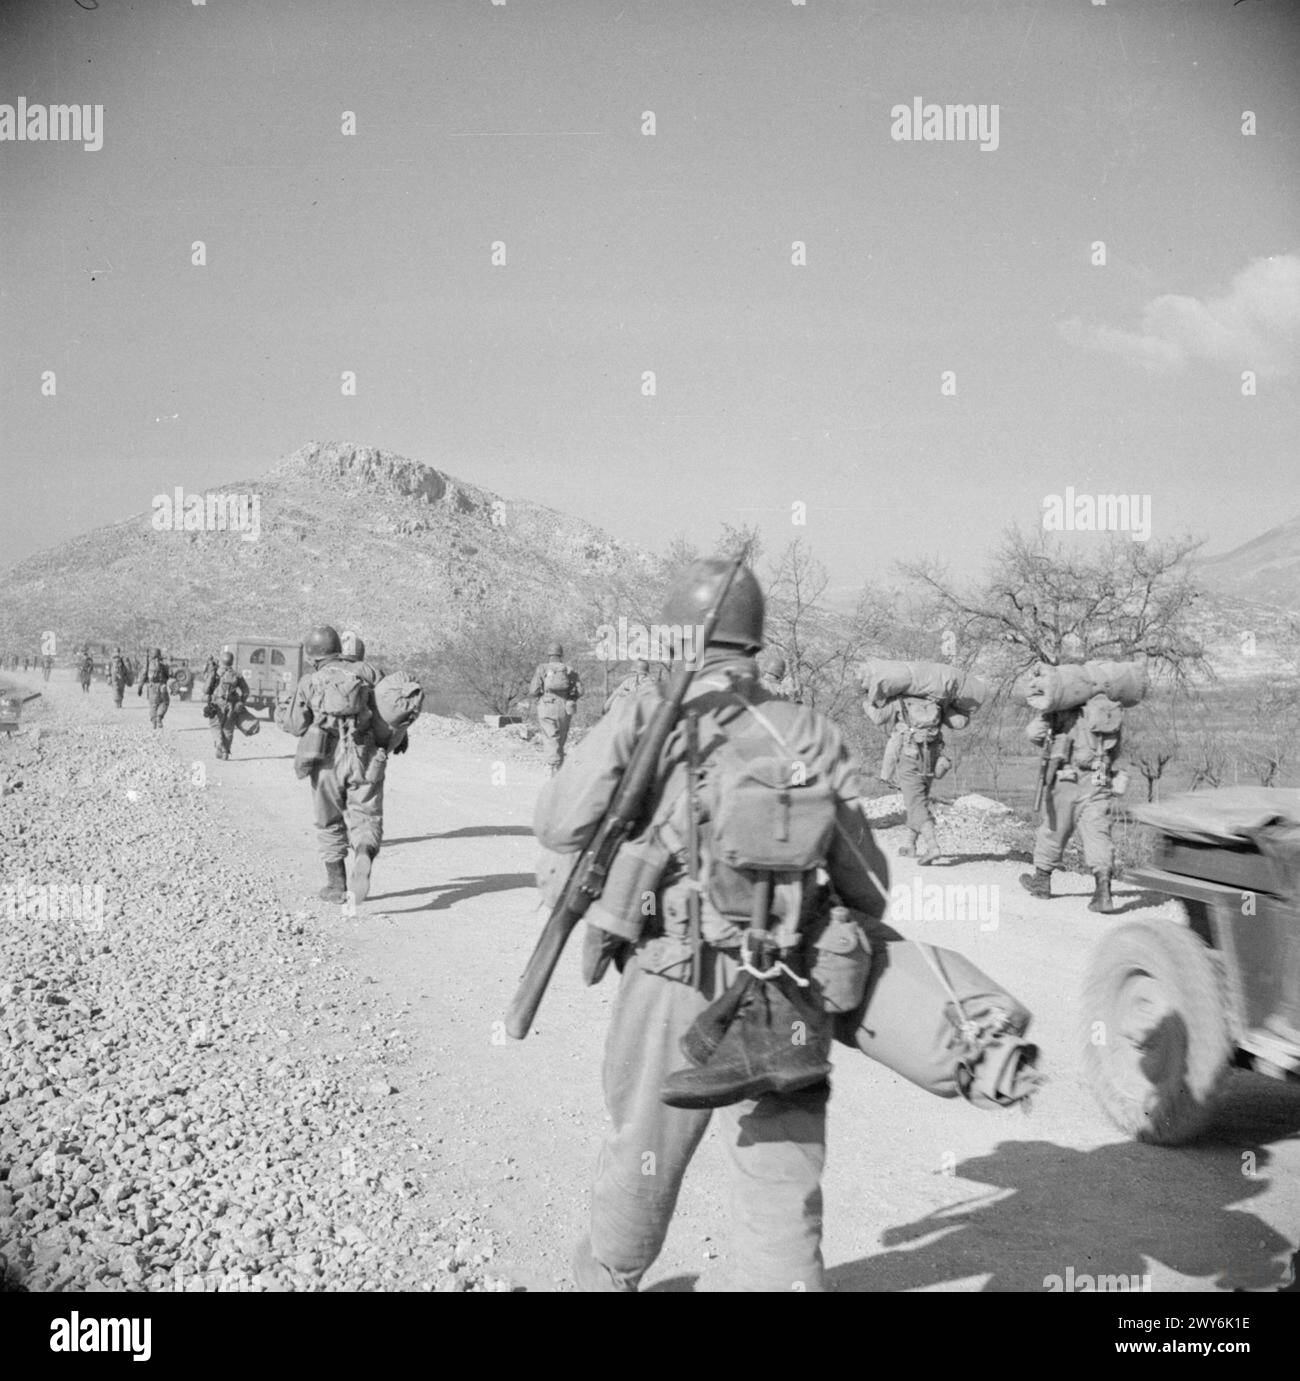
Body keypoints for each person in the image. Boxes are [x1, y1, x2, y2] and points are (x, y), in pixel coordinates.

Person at [535, 557, 889, 1293]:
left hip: (674, 978)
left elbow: (559, 822)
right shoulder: (809, 731)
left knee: (645, 1147)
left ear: (676, 636)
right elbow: (871, 884)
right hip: (786, 987)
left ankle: (605, 1280)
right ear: (754, 641)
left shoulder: (649, 714)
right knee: (780, 1181)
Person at [283, 625, 388, 904]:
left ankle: (336, 885)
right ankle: (364, 852)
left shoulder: (310, 680)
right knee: (366, 814)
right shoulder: (368, 672)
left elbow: (294, 725)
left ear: (313, 655)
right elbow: (389, 711)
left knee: (328, 819)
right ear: (338, 649)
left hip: (325, 756)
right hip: (364, 753)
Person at [1019, 695, 1127, 913]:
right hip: (1099, 778)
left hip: (1068, 778)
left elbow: (1033, 733)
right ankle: (1103, 890)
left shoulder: (1062, 710)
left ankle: (1042, 881)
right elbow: (1115, 750)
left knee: (1054, 829)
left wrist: (1047, 715)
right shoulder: (1107, 712)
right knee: (1098, 833)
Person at [877, 695, 952, 865]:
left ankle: (933, 847)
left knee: (916, 804)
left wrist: (867, 702)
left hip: (909, 756)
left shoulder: (899, 701)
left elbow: (880, 721)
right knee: (918, 801)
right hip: (932, 756)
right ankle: (910, 844)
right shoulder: (936, 700)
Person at [527, 642, 583, 775]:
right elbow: (580, 690)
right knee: (561, 737)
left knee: (550, 736)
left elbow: (533, 690)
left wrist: (540, 697)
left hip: (547, 705)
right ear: (561, 654)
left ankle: (552, 766)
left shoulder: (543, 668)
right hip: (564, 706)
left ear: (549, 654)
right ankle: (560, 766)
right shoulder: (570, 670)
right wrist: (571, 697)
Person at [203, 651, 249, 760]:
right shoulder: (237, 675)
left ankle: (220, 745)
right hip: (232, 704)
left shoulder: (216, 673)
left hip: (218, 703)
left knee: (215, 725)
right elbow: (246, 691)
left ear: (222, 660)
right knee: (228, 728)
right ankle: (226, 751)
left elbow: (205, 689)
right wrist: (241, 701)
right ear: (232, 661)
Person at [136, 647, 171, 730]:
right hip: (162, 687)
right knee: (165, 702)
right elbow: (169, 675)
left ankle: (153, 723)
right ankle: (159, 717)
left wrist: (140, 688)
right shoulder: (163, 665)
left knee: (153, 705)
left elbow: (143, 677)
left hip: (151, 688)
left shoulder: (148, 666)